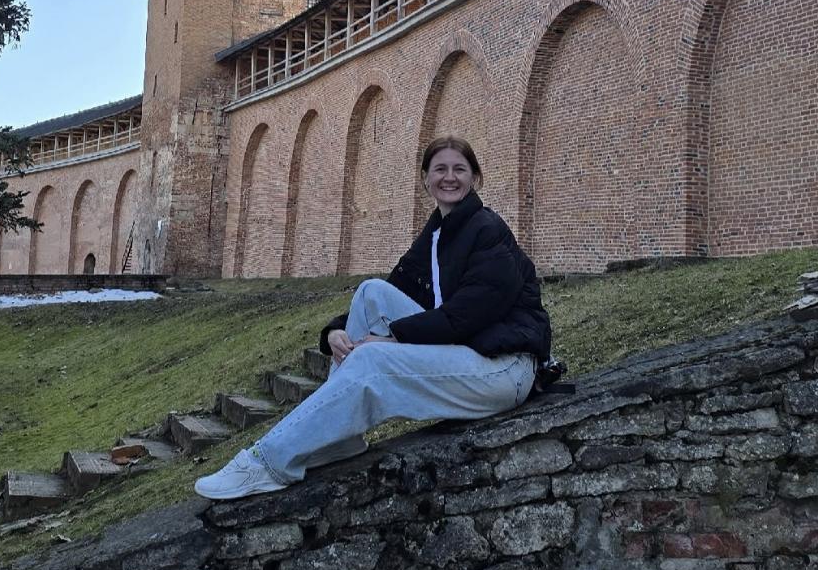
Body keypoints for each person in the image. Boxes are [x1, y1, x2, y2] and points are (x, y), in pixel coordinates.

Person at [195, 135, 551, 501]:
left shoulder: (487, 230)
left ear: (474, 177)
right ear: (425, 178)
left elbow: (468, 315)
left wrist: (393, 337)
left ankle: (266, 463)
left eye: (459, 169)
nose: (449, 177)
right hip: (471, 351)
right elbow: (396, 287)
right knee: (371, 293)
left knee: (373, 361)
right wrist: (334, 329)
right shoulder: (438, 232)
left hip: (506, 368)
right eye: (440, 169)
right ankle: (342, 439)